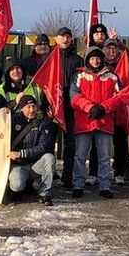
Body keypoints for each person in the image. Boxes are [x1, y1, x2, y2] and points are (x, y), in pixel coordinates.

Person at [70, 47, 124, 198]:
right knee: (80, 156)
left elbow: (119, 97)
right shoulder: (79, 76)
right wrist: (90, 108)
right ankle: (78, 185)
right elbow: (74, 97)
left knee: (104, 157)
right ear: (88, 60)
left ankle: (105, 186)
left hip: (104, 120)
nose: (95, 61)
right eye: (92, 58)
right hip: (85, 120)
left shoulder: (112, 76)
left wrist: (103, 108)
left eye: (98, 58)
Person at [8, 95, 57, 206]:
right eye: (28, 107)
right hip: (18, 165)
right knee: (16, 186)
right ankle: (18, 188)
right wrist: (11, 106)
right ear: (21, 108)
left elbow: (44, 147)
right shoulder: (13, 120)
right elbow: (1, 116)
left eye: (34, 106)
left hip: (35, 165)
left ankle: (45, 193)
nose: (32, 110)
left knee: (49, 158)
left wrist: (21, 153)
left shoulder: (43, 122)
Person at [55, 27, 84, 187]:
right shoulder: (49, 58)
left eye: (68, 36)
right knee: (49, 141)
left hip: (71, 107)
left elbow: (82, 83)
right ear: (57, 39)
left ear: (71, 39)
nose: (65, 39)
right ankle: (49, 175)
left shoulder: (78, 60)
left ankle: (67, 174)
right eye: (62, 36)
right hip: (53, 106)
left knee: (70, 142)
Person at [103, 38, 129, 184]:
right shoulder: (100, 64)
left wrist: (119, 42)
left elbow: (128, 52)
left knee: (120, 141)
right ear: (104, 50)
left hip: (120, 108)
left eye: (114, 48)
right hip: (104, 107)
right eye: (108, 48)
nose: (111, 51)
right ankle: (96, 172)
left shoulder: (123, 63)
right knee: (99, 142)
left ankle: (119, 171)